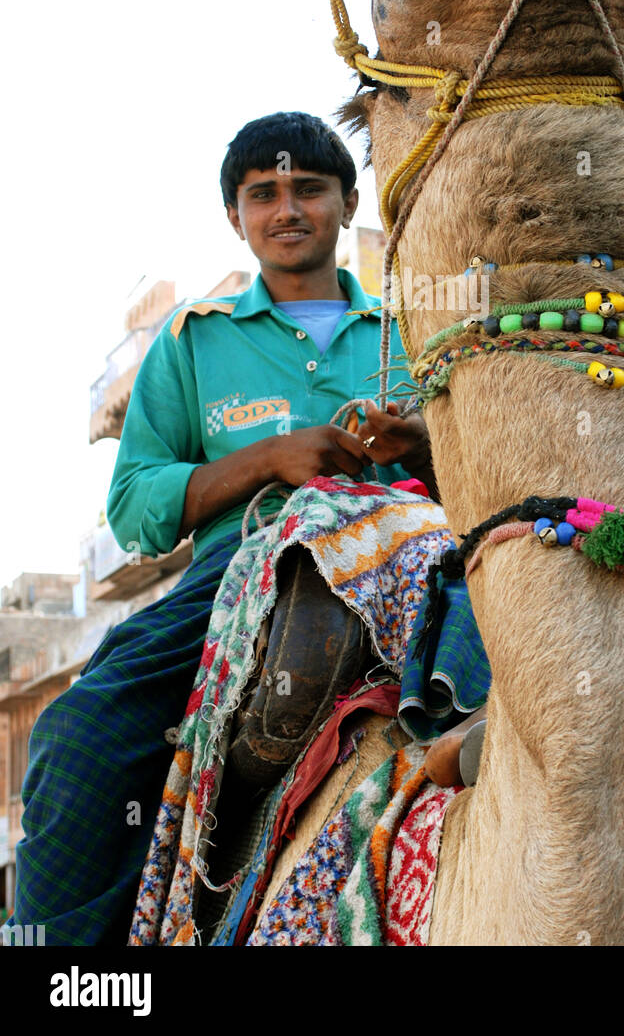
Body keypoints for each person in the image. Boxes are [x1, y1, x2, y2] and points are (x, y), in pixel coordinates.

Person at [13, 112, 443, 945]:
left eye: (309, 190)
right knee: (75, 745)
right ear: (236, 216)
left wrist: (420, 445)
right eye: (264, 194)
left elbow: (476, 467)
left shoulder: (410, 335)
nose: (288, 209)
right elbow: (136, 508)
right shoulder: (191, 344)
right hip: (236, 581)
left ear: (346, 202)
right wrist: (269, 460)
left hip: (402, 559)